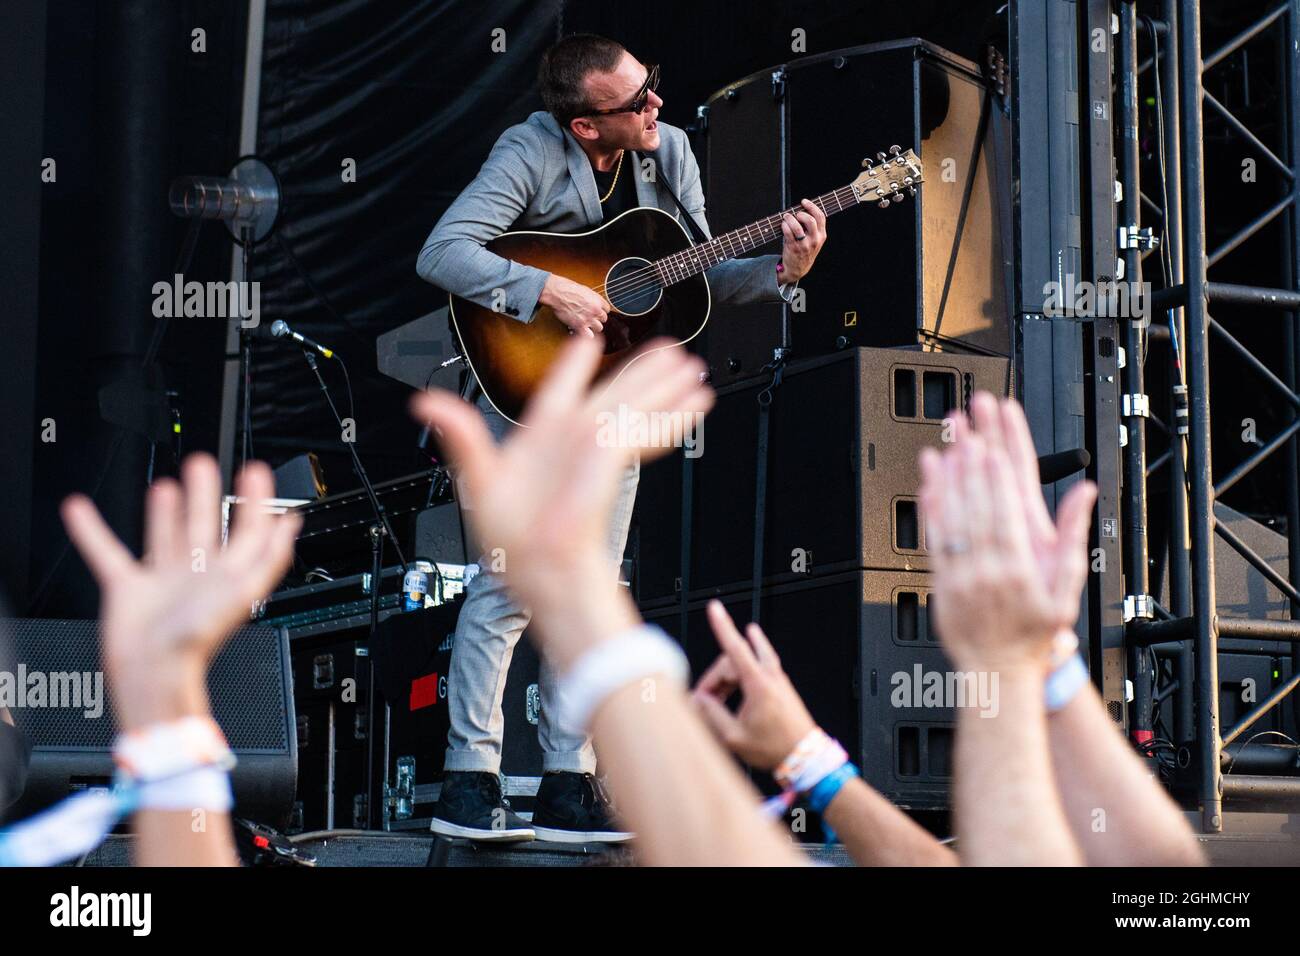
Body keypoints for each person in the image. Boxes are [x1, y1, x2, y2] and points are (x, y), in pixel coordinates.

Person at [415, 32, 826, 843]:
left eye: (654, 86)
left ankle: (571, 778)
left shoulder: (669, 152)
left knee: (595, 588)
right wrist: (548, 293)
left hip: (617, 401)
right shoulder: (528, 151)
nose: (657, 106)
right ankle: (470, 778)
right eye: (637, 101)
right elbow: (443, 251)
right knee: (509, 586)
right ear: (584, 128)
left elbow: (702, 271)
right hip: (528, 388)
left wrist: (786, 271)